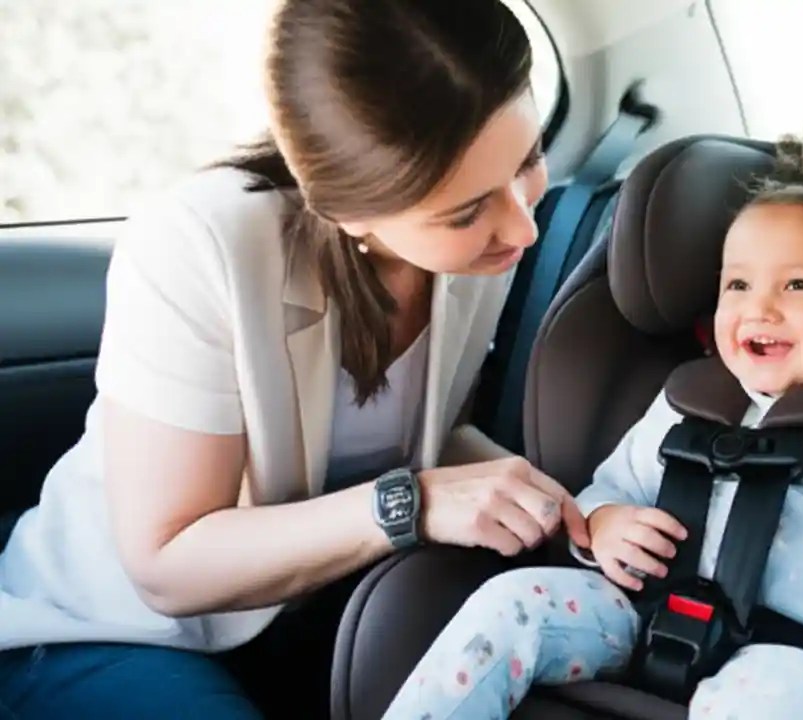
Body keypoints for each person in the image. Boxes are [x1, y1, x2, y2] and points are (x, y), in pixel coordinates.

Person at [0, 1, 590, 718]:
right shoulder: (201, 242)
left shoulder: (479, 251)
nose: (522, 226)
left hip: (312, 618)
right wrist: (416, 502)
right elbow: (167, 564)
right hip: (118, 628)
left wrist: (559, 508)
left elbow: (420, 439)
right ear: (347, 212)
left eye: (528, 159)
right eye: (465, 213)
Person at [380, 128, 803, 720]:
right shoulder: (690, 397)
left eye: (797, 284)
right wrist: (606, 525)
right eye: (738, 284)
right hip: (637, 611)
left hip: (792, 650)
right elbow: (609, 492)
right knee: (509, 605)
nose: (759, 308)